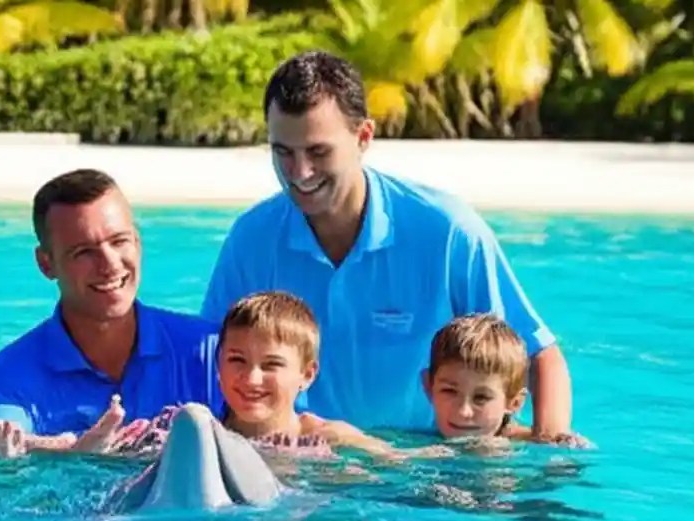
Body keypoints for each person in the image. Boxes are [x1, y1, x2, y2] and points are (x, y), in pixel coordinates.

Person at [201, 50, 573, 438]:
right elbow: (208, 354)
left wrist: (550, 449)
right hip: (309, 468)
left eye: (318, 151)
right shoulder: (251, 238)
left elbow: (537, 354)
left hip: (426, 471)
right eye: (283, 153)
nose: (300, 173)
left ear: (363, 137)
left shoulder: (447, 231)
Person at [0, 168, 224, 446]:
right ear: (46, 264)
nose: (110, 264)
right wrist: (76, 454)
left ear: (138, 242)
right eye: (84, 252)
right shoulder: (2, 387)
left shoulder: (213, 353)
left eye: (119, 241)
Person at [109, 291, 449, 462]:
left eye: (271, 365)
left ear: (308, 373)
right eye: (237, 360)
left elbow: (405, 464)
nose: (251, 378)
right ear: (218, 363)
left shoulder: (327, 438)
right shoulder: (187, 433)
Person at [423, 313, 588, 447]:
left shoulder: (521, 443)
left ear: (514, 402)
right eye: (450, 391)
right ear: (428, 387)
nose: (463, 411)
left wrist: (567, 444)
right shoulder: (422, 444)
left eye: (481, 398)